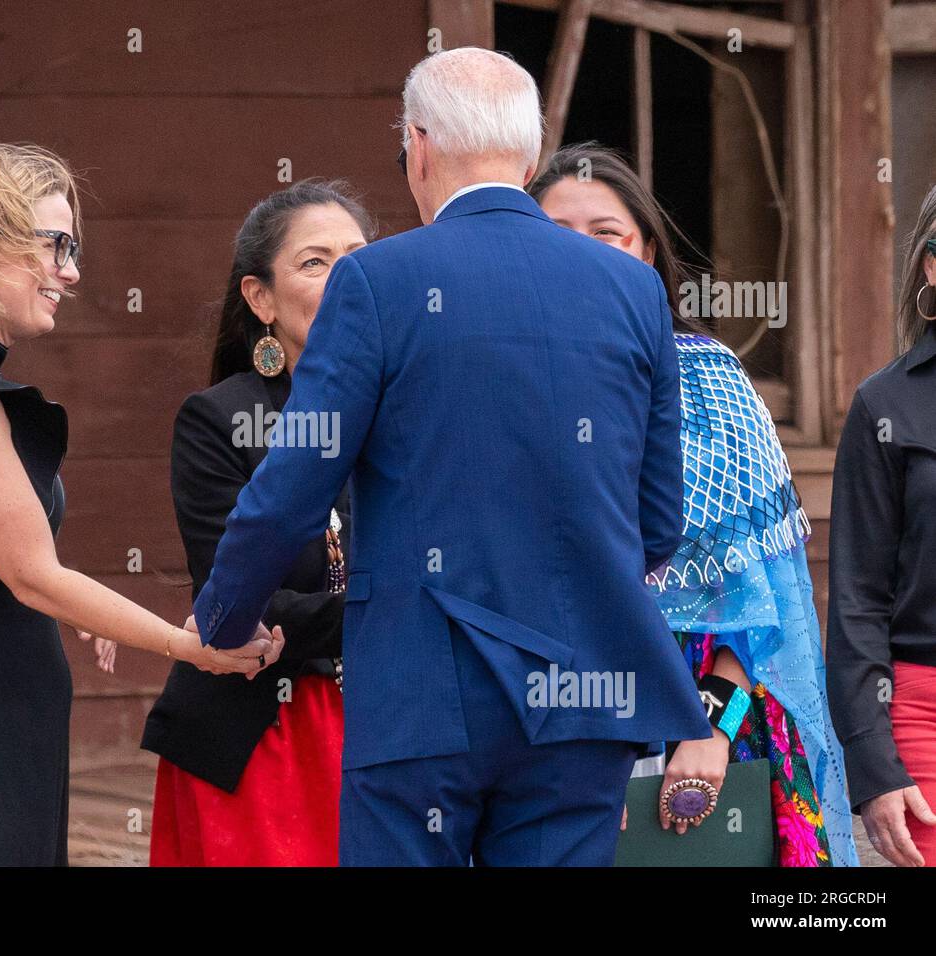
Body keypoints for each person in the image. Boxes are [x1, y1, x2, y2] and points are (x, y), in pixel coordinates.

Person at [186, 49, 712, 866]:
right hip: (583, 694)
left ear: (418, 146)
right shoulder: (630, 287)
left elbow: (293, 484)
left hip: (423, 690)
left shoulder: (375, 282)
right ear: (532, 158)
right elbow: (658, 517)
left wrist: (225, 615)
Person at [0, 143, 281, 866]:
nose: (71, 272)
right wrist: (191, 647)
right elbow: (31, 575)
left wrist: (70, 610)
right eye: (57, 245)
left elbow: (3, 567)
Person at [531, 142, 857, 866]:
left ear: (646, 250)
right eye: (556, 234)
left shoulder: (709, 379)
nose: (582, 254)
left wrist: (708, 724)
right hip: (546, 724)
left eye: (606, 232)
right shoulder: (500, 384)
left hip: (703, 722)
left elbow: (759, 592)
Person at [141, 180, 375, 866]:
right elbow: (237, 602)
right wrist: (389, 605)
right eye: (315, 261)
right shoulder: (220, 420)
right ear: (260, 299)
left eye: (359, 257)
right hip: (260, 736)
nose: (345, 277)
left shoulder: (412, 410)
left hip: (390, 724)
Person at [828, 184, 936, 867]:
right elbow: (857, 599)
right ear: (931, 267)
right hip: (924, 709)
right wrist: (874, 764)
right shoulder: (884, 405)